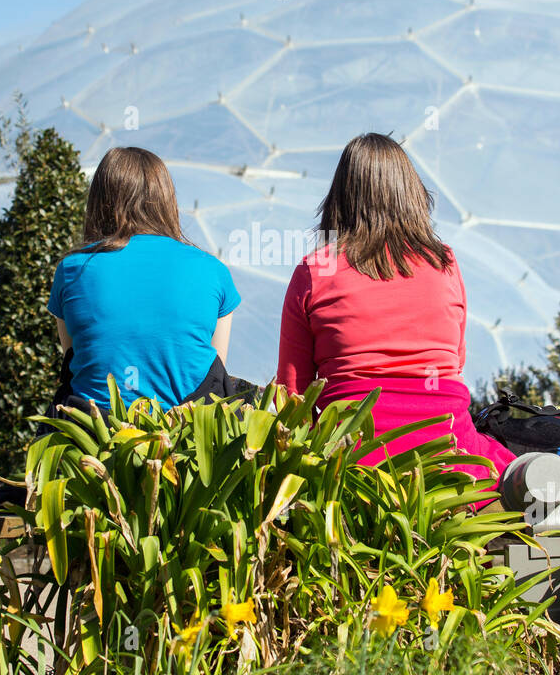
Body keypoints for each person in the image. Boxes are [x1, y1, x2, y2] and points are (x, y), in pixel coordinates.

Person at [276, 133, 515, 493]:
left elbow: (292, 393)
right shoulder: (445, 263)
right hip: (447, 448)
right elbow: (455, 361)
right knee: (501, 461)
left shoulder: (315, 270)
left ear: (340, 198)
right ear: (412, 194)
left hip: (352, 456)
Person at [45, 146, 248, 415]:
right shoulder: (213, 271)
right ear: (166, 199)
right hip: (186, 439)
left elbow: (76, 359)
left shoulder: (72, 270)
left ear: (99, 201)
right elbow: (213, 374)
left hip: (95, 438)